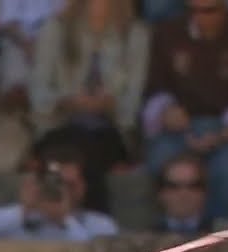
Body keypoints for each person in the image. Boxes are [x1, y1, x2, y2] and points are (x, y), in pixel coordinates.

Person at [140, 0, 228, 223]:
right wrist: (166, 111)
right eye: (193, 11)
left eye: (208, 11)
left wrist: (227, 133)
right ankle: (167, 232)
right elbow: (155, 88)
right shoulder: (168, 34)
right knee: (161, 159)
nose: (200, 17)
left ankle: (216, 233)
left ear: (224, 7)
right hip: (180, 127)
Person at [28, 0, 149, 214]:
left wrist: (109, 104)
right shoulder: (56, 29)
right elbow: (38, 93)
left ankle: (65, 218)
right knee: (72, 148)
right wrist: (66, 101)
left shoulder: (134, 34)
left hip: (110, 130)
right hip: (59, 126)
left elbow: (133, 101)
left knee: (83, 150)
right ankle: (93, 220)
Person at [0, 144, 119, 240]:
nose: (62, 190)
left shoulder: (99, 225)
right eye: (56, 182)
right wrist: (23, 211)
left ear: (82, 187)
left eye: (70, 185)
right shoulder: (14, 220)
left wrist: (64, 220)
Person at [153, 151, 210, 234]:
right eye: (173, 186)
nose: (183, 193)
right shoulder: (145, 234)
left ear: (204, 192)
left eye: (193, 186)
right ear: (161, 192)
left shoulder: (221, 235)